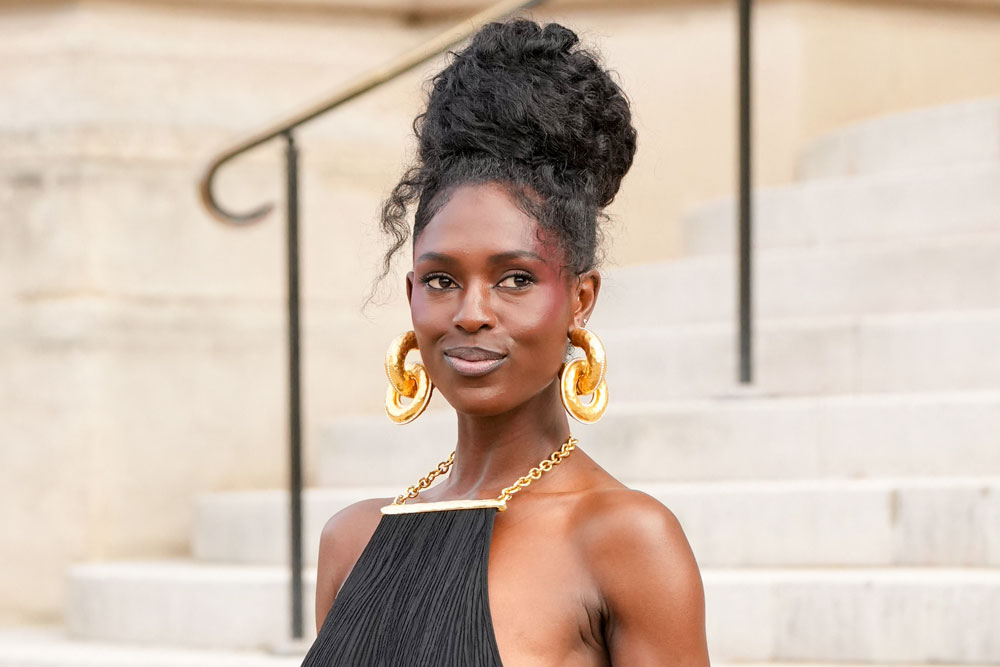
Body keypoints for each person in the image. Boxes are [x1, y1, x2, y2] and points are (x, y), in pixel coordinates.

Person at [301, 18, 709, 667]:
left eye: (515, 278)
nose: (471, 312)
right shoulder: (350, 539)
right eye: (442, 279)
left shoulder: (626, 539)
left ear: (579, 298)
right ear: (411, 296)